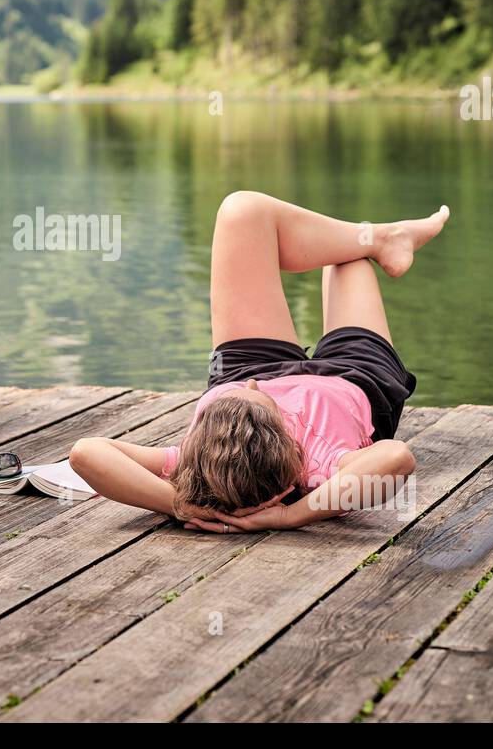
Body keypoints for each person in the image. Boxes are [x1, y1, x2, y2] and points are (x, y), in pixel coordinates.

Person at [69, 192, 450, 532]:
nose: (254, 389)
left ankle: (387, 237)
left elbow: (86, 453)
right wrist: (293, 515)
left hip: (245, 365)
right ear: (287, 444)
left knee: (242, 211)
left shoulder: (195, 462)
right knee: (346, 260)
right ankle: (382, 238)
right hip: (353, 380)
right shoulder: (319, 467)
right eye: (259, 399)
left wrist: (177, 504)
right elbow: (396, 458)